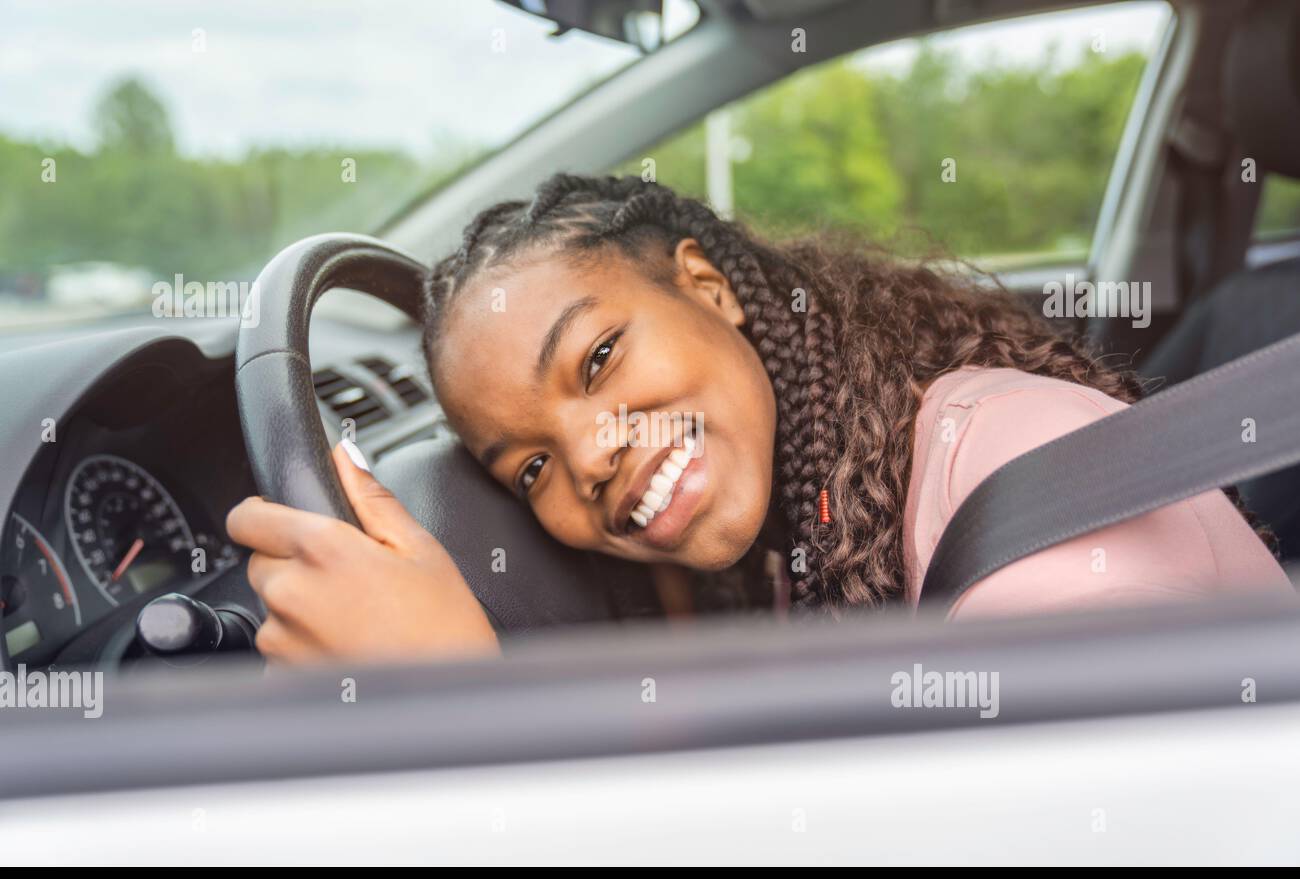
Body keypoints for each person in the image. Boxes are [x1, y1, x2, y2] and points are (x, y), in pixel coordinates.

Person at [226, 174, 1292, 663]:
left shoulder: (1020, 493)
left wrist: (457, 701)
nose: (591, 456)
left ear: (709, 285)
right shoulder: (819, 524)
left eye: (598, 358)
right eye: (527, 470)